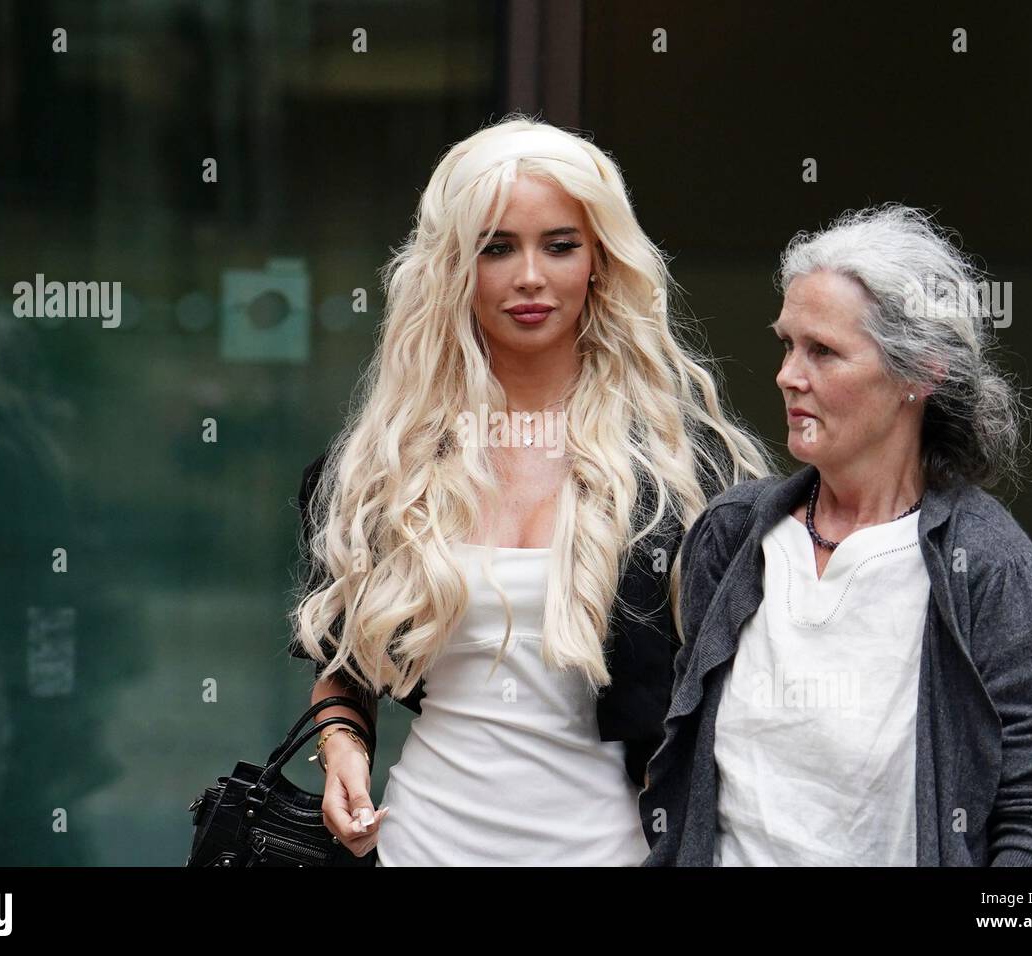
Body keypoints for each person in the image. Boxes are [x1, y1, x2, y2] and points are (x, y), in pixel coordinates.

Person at [288, 115, 771, 865]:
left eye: (560, 245)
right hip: (420, 846)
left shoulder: (677, 474)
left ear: (599, 263)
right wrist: (343, 752)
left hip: (611, 851)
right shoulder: (386, 467)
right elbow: (343, 668)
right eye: (496, 248)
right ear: (455, 267)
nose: (530, 278)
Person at [641, 204, 1032, 866]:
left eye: (822, 350)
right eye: (787, 343)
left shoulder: (992, 572)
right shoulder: (732, 538)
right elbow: (680, 773)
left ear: (920, 372)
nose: (788, 374)